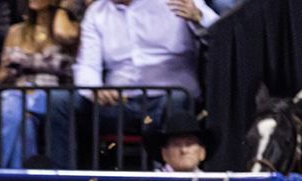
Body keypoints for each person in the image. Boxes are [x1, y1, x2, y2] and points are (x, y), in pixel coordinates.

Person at [45, 0, 218, 170]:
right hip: (119, 103)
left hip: (169, 98)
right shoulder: (97, 12)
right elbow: (87, 65)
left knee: (176, 99)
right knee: (60, 101)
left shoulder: (175, 2)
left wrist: (199, 18)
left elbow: (222, 32)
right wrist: (95, 89)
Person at [0, 0, 83, 169]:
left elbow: (64, 36)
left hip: (53, 99)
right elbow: (1, 77)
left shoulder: (70, 31)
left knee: (13, 106)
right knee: (22, 121)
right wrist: (9, 71)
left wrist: (62, 9)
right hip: (17, 95)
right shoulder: (16, 31)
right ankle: (19, 180)